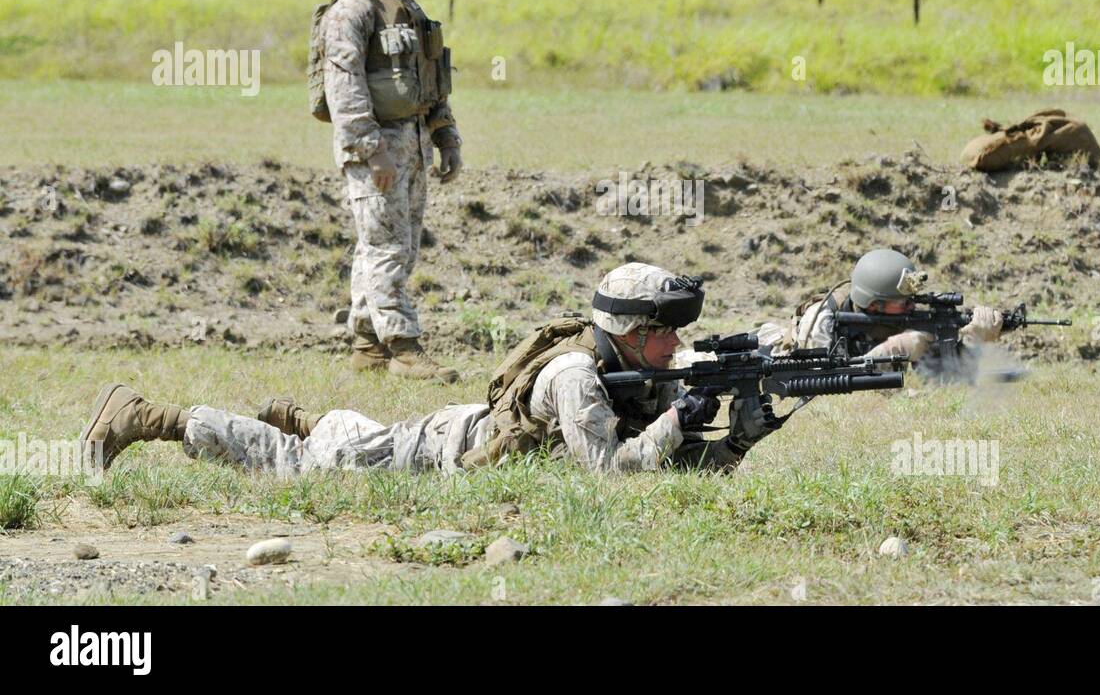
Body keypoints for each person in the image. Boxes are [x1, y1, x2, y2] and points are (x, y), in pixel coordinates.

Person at [78, 264, 778, 476]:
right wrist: (674, 425)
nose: (678, 345)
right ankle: (145, 416)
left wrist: (737, 439)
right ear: (634, 332)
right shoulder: (576, 376)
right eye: (668, 333)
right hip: (437, 453)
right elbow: (611, 478)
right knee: (297, 468)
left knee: (340, 438)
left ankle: (308, 419)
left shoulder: (649, 365)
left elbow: (673, 473)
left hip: (441, 439)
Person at [322, 0, 460, 380]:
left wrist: (446, 137)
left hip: (414, 144)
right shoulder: (351, 13)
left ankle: (367, 344)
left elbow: (431, 79)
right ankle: (404, 347)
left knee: (389, 246)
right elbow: (345, 90)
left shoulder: (411, 11)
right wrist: (371, 151)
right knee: (388, 248)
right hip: (376, 147)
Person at [756, 248, 1003, 363]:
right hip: (769, 357)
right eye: (902, 302)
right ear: (874, 305)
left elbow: (946, 373)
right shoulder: (821, 319)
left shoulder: (901, 316)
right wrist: (889, 352)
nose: (911, 306)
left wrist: (974, 337)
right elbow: (816, 382)